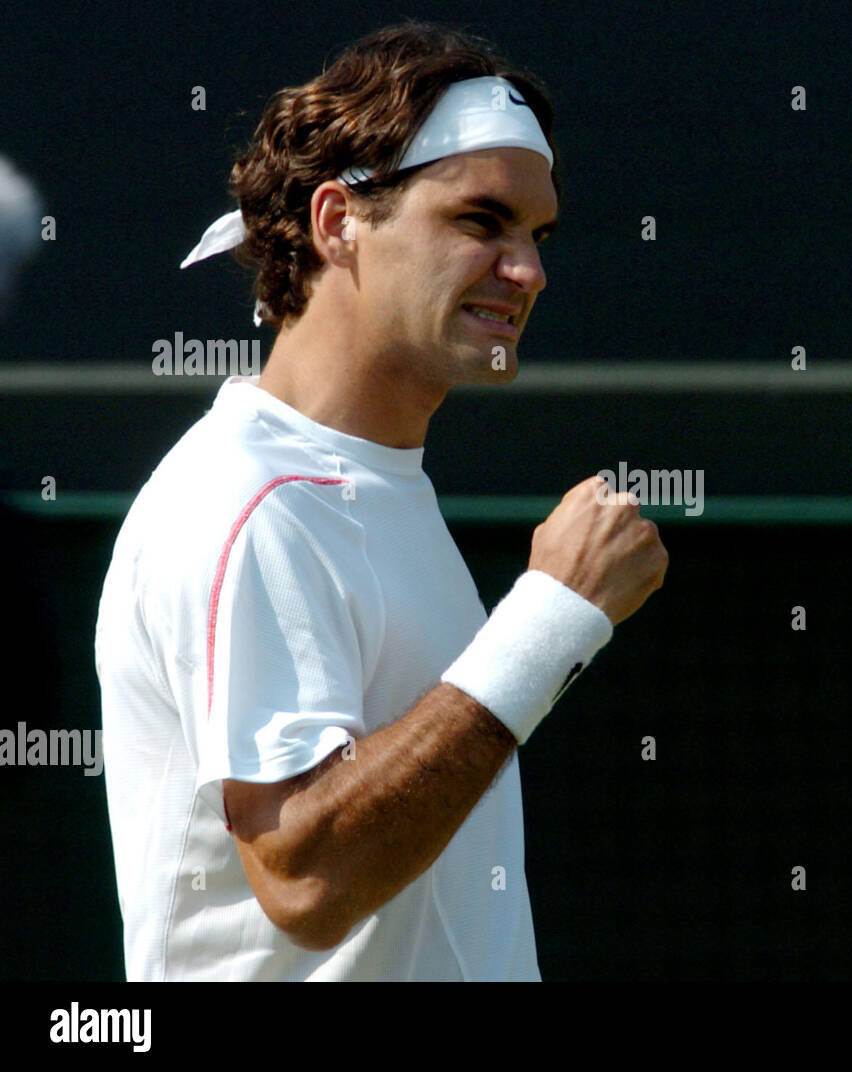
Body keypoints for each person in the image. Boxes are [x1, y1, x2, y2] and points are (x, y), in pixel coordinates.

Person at [94, 21, 667, 982]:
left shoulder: (360, 485)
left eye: (538, 234)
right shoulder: (252, 501)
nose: (527, 271)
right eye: (480, 222)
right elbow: (308, 879)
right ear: (338, 221)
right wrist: (549, 620)